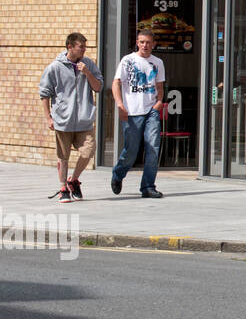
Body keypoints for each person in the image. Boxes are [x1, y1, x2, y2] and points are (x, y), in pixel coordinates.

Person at [39, 32, 104, 201]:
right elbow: (44, 94)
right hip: (63, 120)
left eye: (85, 46)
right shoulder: (55, 67)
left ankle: (73, 180)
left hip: (84, 119)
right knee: (63, 157)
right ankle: (63, 189)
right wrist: (48, 118)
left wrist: (87, 73)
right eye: (80, 47)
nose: (84, 50)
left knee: (88, 151)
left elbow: (98, 87)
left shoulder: (88, 64)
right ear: (70, 47)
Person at [110, 28, 166, 198]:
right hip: (131, 113)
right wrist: (120, 105)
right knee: (131, 151)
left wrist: (158, 104)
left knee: (153, 149)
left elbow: (160, 87)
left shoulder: (158, 62)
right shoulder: (128, 60)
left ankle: (148, 187)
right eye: (142, 42)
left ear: (153, 44)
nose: (145, 45)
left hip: (151, 112)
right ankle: (118, 174)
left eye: (148, 42)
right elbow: (116, 83)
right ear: (137, 43)